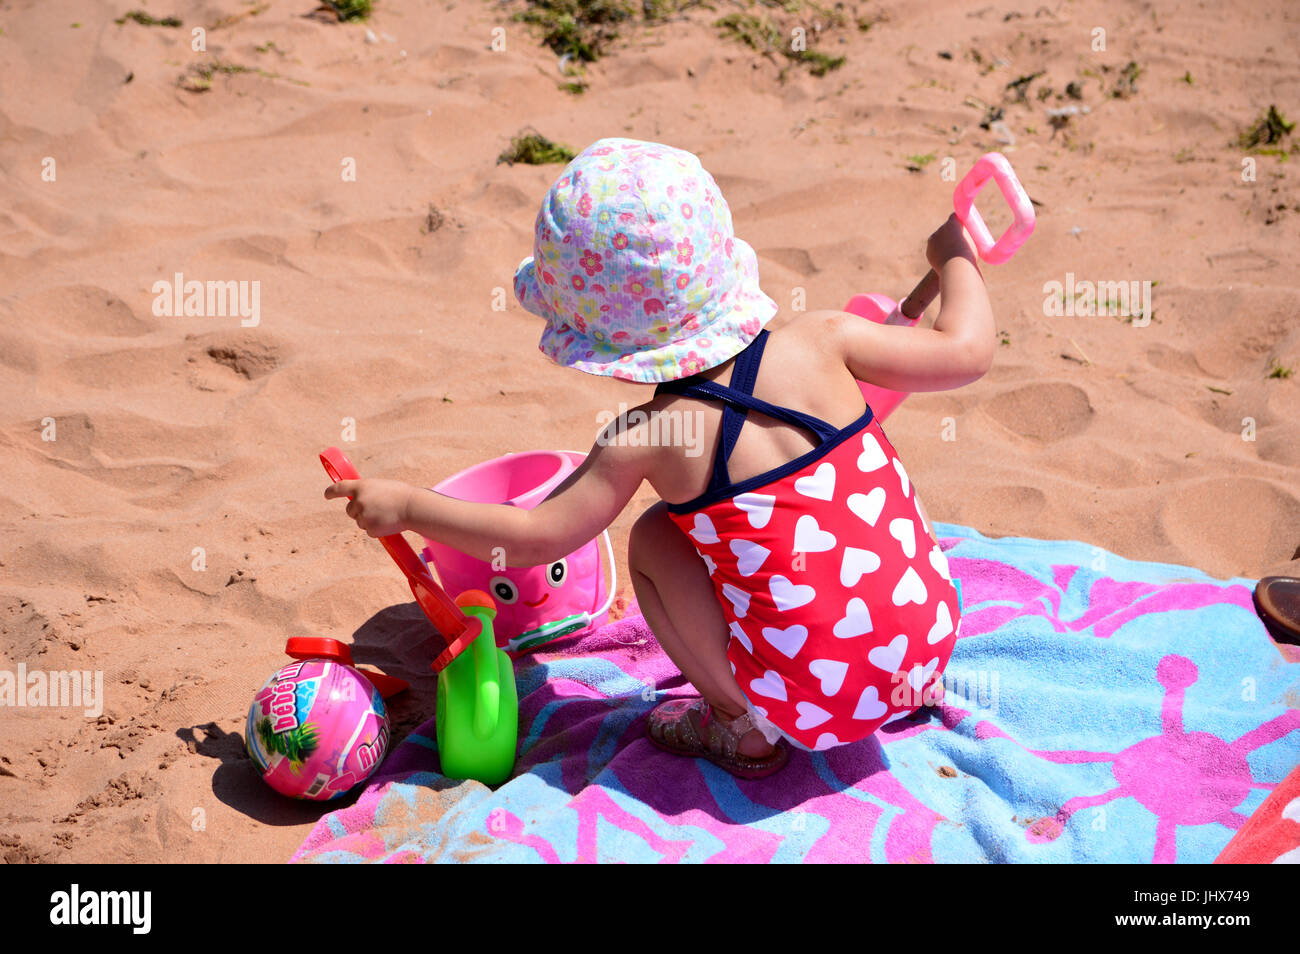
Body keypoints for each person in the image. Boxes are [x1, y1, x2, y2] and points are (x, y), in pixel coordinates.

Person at [326, 138, 993, 778]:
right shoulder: (828, 336)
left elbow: (536, 537)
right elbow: (968, 351)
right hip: (926, 646)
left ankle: (741, 723)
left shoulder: (648, 436)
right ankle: (878, 682)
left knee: (652, 536)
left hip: (813, 704)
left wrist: (411, 506)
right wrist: (954, 254)